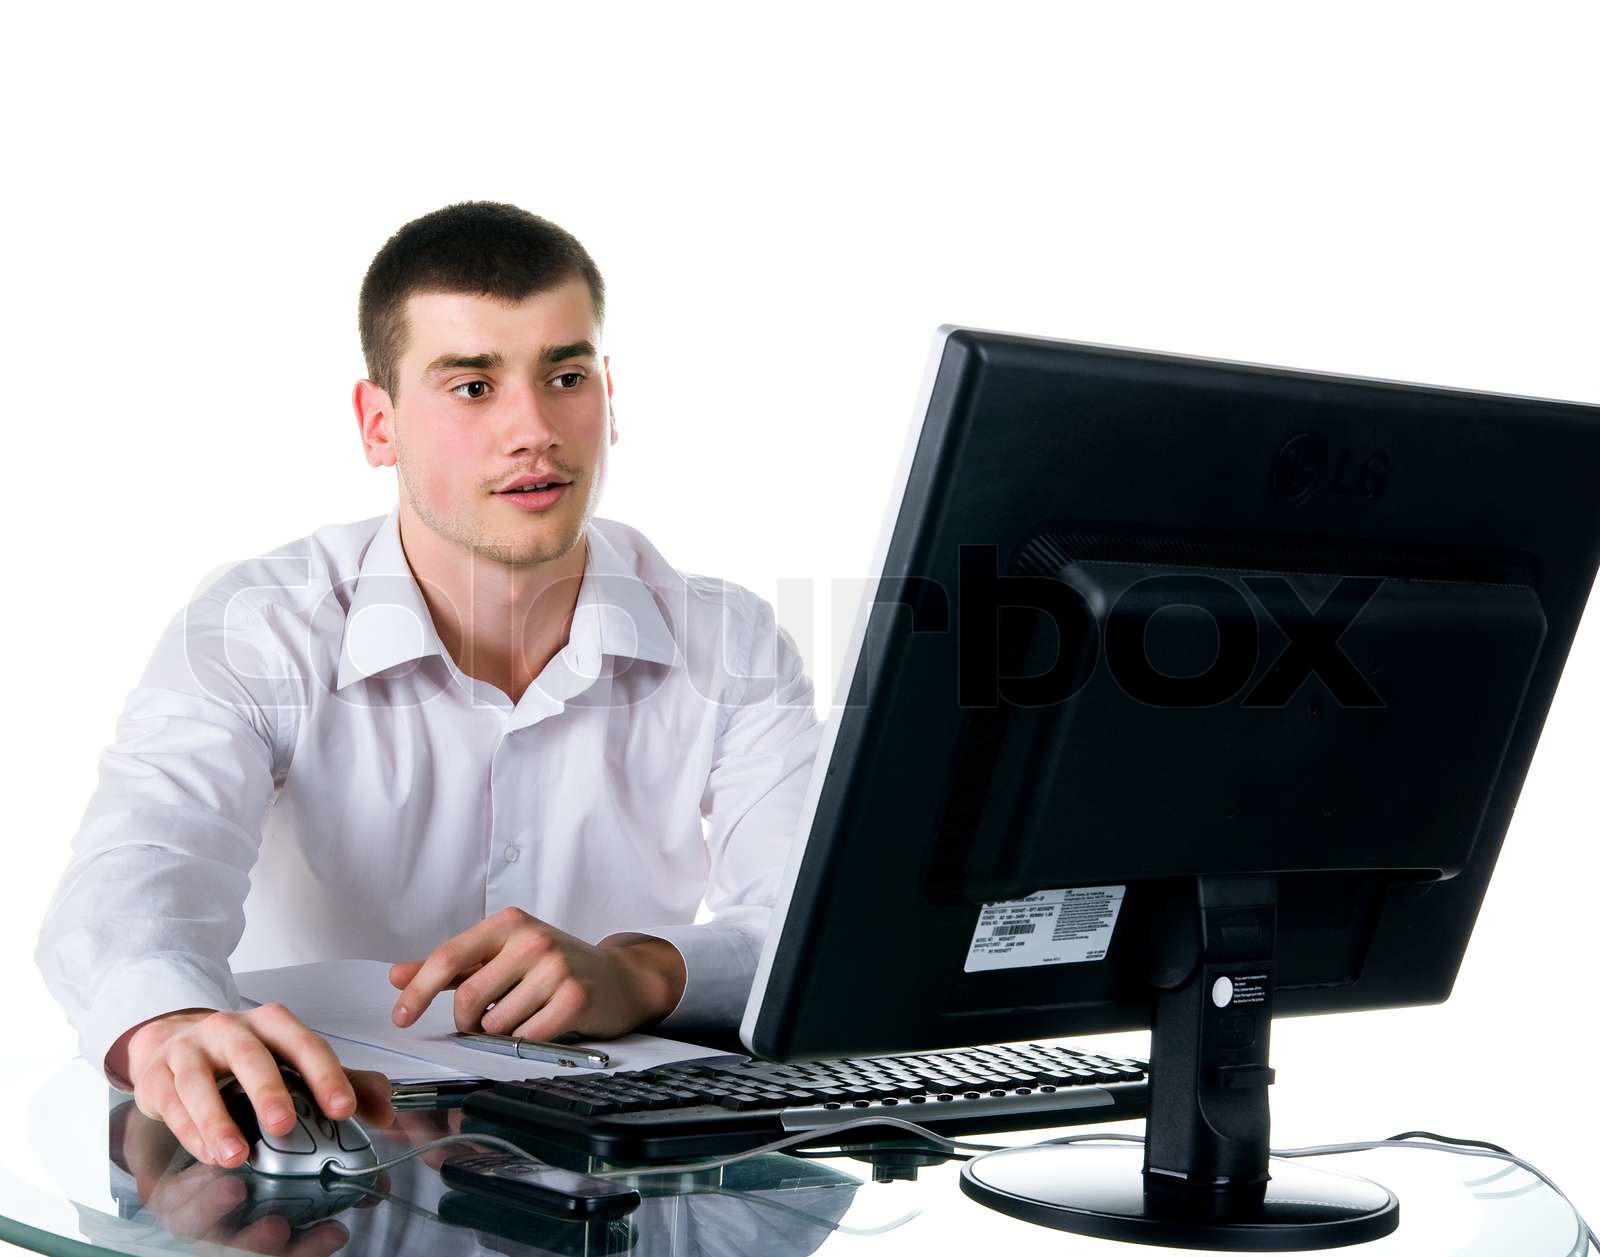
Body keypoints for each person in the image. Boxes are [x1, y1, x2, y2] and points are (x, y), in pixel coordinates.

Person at [35, 201, 822, 1175]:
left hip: (620, 1180)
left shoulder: (728, 635)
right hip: (321, 1171)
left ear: (609, 397)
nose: (533, 429)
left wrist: (641, 970)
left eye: (564, 376)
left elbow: (808, 926)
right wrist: (173, 1025)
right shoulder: (257, 626)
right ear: (378, 424)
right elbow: (135, 872)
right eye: (472, 386)